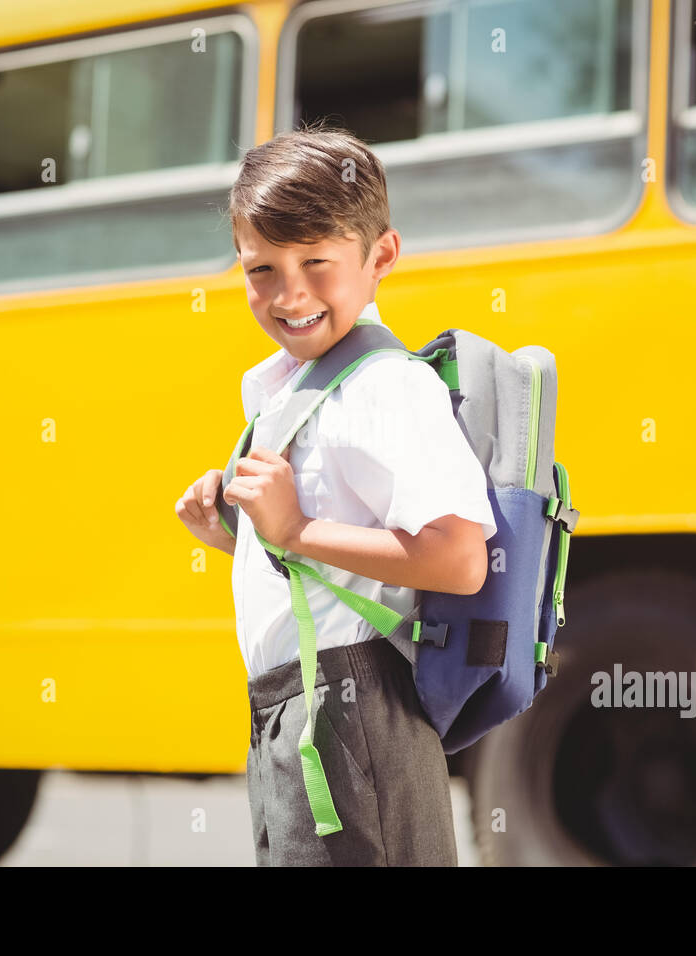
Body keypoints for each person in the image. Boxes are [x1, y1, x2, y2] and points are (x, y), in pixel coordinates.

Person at [175, 122, 497, 865]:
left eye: (317, 263)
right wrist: (238, 533)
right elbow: (327, 572)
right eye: (261, 271)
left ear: (380, 255)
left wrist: (291, 530)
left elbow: (457, 559)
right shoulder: (293, 389)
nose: (290, 294)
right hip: (297, 709)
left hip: (351, 717)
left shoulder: (387, 388)